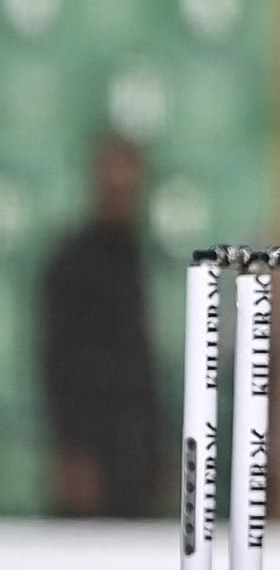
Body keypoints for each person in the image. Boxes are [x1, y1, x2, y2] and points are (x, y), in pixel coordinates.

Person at [37, 132, 165, 518]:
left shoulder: (137, 256)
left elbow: (141, 362)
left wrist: (155, 446)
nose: (122, 191)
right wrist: (73, 450)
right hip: (90, 449)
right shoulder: (71, 261)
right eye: (114, 181)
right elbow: (57, 360)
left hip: (135, 451)